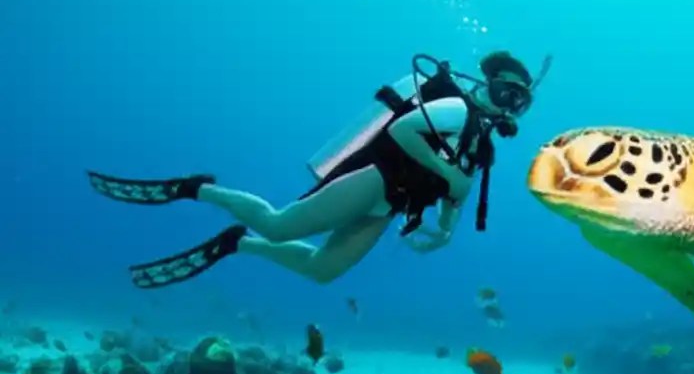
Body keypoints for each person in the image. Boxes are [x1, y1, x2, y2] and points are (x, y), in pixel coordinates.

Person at [88, 50, 550, 288]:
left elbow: (459, 191)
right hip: (374, 180)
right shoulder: (456, 108)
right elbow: (402, 131)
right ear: (488, 85)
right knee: (279, 226)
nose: (508, 104)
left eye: (519, 102)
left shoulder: (481, 144)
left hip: (388, 206)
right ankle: (197, 189)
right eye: (505, 93)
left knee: (324, 270)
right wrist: (447, 175)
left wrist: (446, 230)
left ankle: (236, 244)